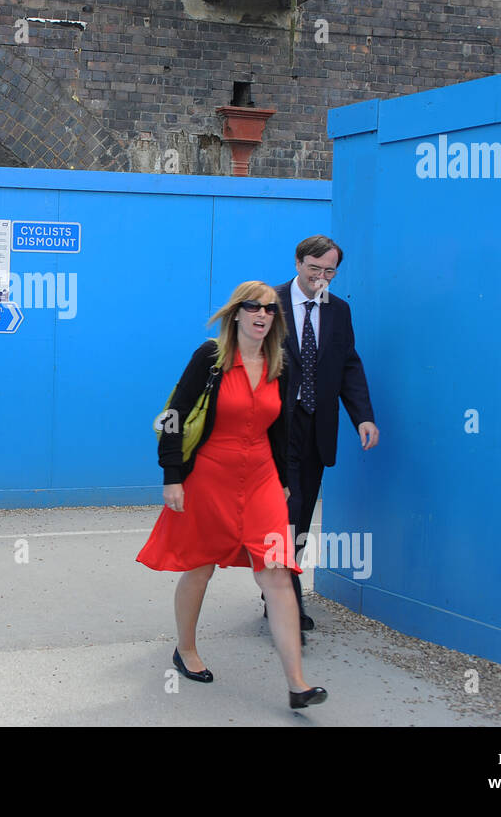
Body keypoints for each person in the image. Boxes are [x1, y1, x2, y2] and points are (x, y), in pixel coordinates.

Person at [138, 281, 327, 709]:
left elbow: (282, 430)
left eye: (270, 310)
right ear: (236, 313)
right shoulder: (211, 359)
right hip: (209, 477)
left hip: (260, 477)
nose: (262, 315)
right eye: (253, 307)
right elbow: (173, 416)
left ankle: (297, 684)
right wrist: (172, 476)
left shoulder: (281, 364)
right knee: (200, 568)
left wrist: (283, 480)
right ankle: (185, 648)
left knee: (278, 573)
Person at [275, 235, 379, 632]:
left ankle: (281, 590)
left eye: (329, 270)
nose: (321, 277)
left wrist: (363, 417)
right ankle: (286, 599)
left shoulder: (339, 311)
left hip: (318, 426)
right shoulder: (269, 302)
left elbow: (348, 365)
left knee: (301, 515)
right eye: (314, 268)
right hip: (277, 428)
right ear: (298, 262)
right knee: (283, 511)